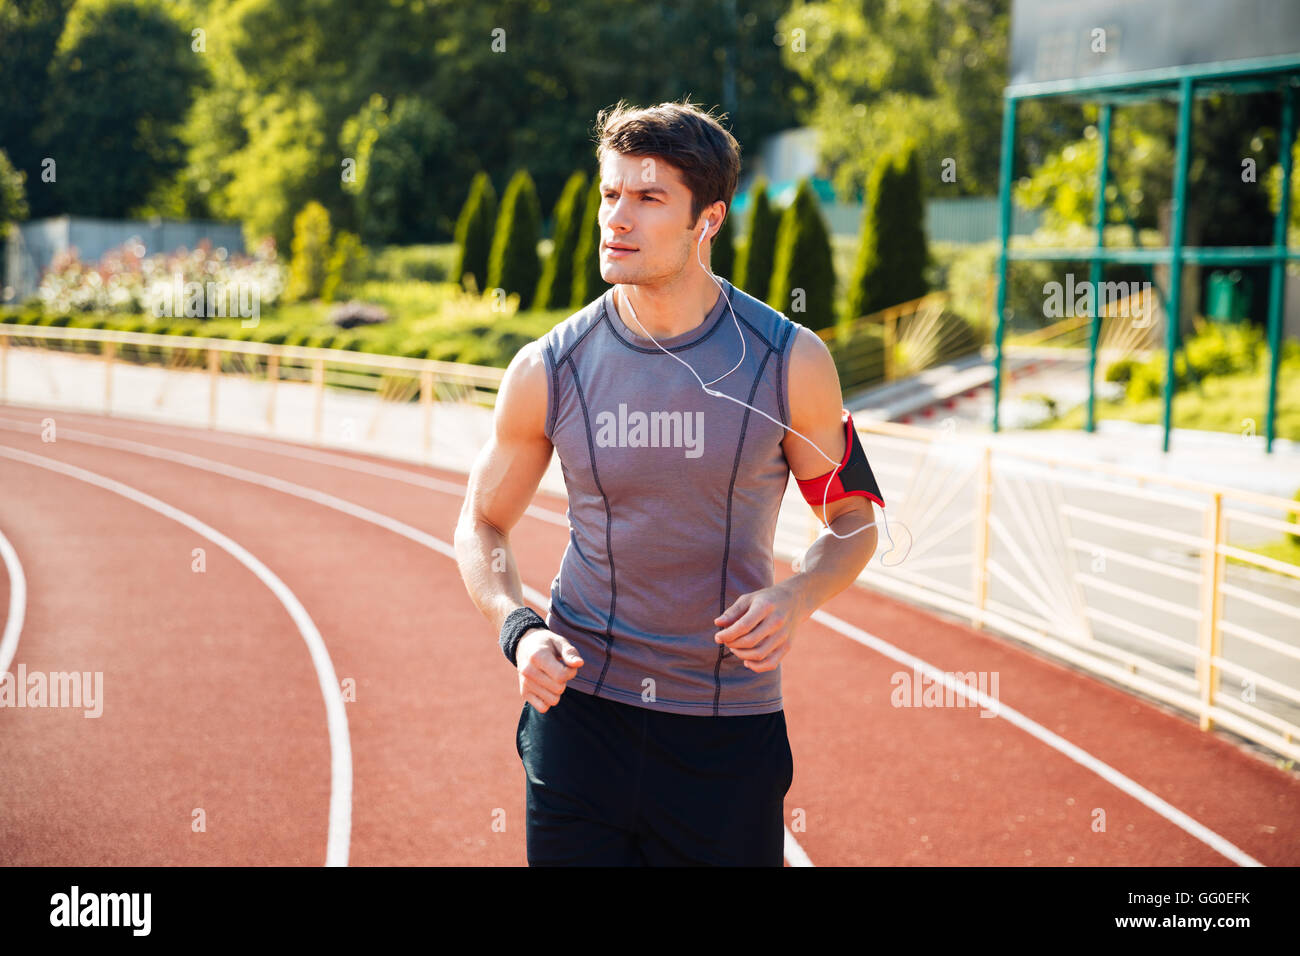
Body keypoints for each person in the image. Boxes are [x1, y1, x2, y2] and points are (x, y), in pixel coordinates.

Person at [455, 97, 883, 866]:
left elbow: (852, 518)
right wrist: (516, 629)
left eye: (648, 198)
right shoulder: (548, 366)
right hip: (579, 721)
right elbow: (481, 522)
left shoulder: (790, 361)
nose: (617, 217)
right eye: (610, 193)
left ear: (707, 220)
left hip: (723, 735)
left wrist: (797, 597)